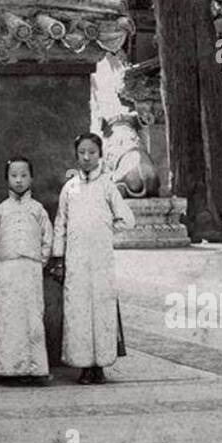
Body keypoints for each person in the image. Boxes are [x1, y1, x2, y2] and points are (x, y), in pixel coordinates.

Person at [49, 132, 136, 384]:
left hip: (101, 260)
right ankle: (84, 365)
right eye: (82, 153)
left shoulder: (107, 186)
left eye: (92, 153)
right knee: (79, 311)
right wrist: (58, 256)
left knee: (102, 309)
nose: (87, 157)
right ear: (76, 155)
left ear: (100, 155)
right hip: (75, 260)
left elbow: (127, 219)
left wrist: (106, 229)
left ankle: (101, 365)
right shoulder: (69, 188)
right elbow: (60, 224)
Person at [0, 156, 53, 383]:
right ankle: (5, 369)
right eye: (14, 176)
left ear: (31, 177)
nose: (19, 180)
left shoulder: (38, 209)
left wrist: (38, 263)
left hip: (30, 270)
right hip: (5, 271)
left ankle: (34, 369)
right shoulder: (1, 210)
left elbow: (47, 239)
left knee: (31, 318)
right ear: (6, 179)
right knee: (6, 319)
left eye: (23, 175)